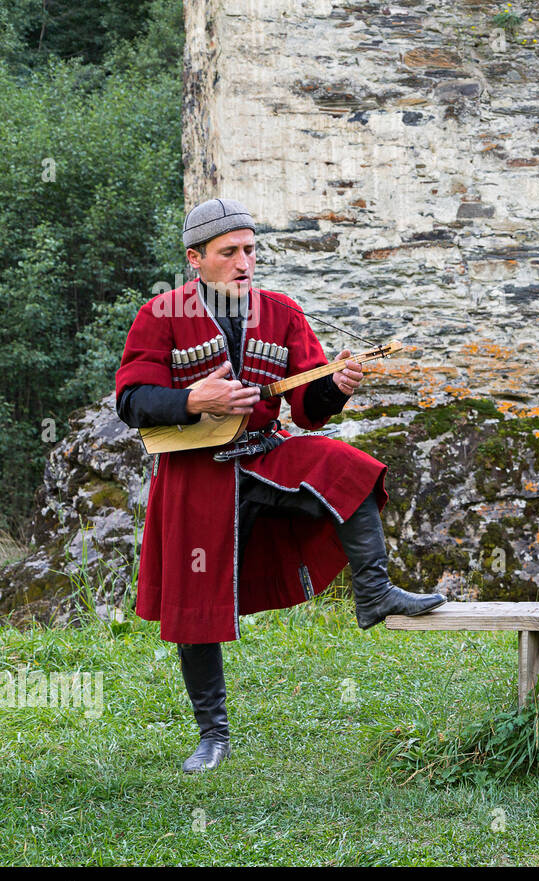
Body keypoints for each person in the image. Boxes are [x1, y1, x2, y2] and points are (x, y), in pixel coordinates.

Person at [115, 198, 446, 774]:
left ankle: (375, 594)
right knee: (196, 601)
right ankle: (212, 735)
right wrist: (196, 399)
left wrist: (336, 384)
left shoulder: (282, 312)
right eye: (229, 252)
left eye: (249, 250)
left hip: (264, 454)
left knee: (348, 468)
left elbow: (309, 409)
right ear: (196, 260)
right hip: (196, 473)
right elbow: (133, 401)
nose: (244, 262)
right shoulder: (160, 315)